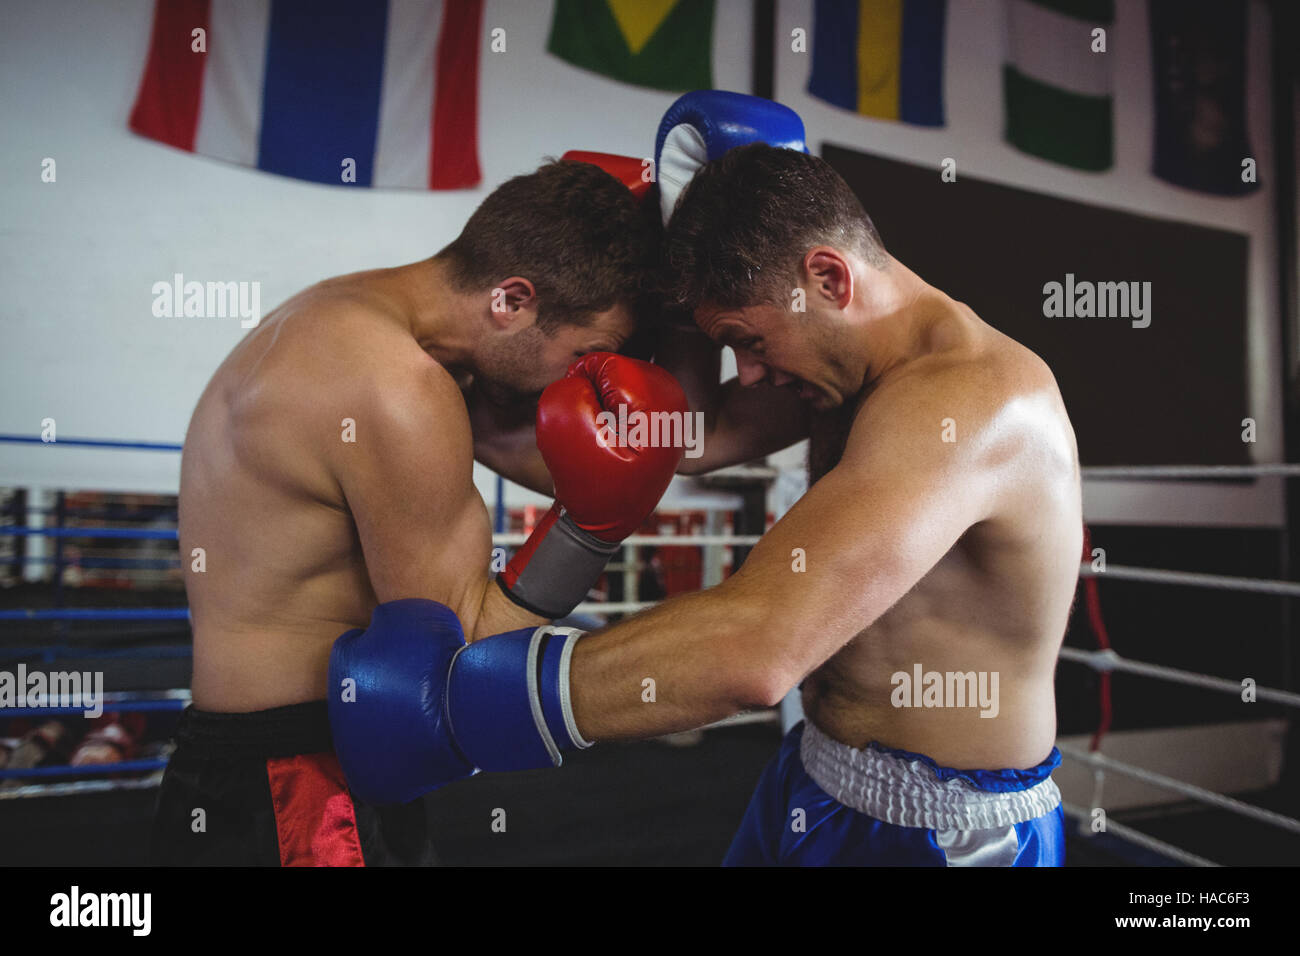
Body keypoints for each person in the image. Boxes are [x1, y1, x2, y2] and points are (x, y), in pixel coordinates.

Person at [329, 92, 1081, 867]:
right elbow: (685, 437)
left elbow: (758, 649)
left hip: (952, 833)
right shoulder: (847, 370)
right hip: (814, 774)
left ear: (828, 277)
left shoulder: (976, 400)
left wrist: (465, 702)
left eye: (749, 343)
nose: (746, 373)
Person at [151, 158, 687, 865]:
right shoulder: (399, 388)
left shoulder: (331, 315)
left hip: (242, 766)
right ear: (513, 300)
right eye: (586, 353)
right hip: (301, 792)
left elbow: (678, 444)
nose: (576, 378)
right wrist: (591, 529)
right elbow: (461, 661)